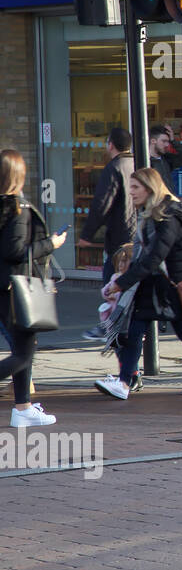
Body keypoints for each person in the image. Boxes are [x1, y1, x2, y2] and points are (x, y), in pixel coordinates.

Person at [96, 167, 182, 399]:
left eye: (135, 187)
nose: (131, 192)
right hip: (151, 283)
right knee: (135, 328)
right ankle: (123, 383)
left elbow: (155, 257)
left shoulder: (169, 215)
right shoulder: (149, 213)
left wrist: (121, 283)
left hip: (172, 285)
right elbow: (144, 255)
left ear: (150, 188)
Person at [0, 149, 66, 426]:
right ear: (19, 175)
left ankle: (23, 408)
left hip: (5, 287)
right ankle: (23, 408)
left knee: (22, 346)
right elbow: (15, 251)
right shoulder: (18, 208)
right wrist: (52, 243)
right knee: (25, 351)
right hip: (16, 288)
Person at [77, 127, 135, 337]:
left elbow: (102, 203)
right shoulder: (137, 164)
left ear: (110, 144)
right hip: (136, 233)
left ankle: (111, 324)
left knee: (112, 280)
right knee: (130, 279)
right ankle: (127, 326)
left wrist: (87, 235)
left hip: (119, 235)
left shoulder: (114, 168)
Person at [148, 123, 182, 194]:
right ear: (153, 141)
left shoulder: (167, 159)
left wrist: (173, 141)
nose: (167, 145)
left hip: (169, 201)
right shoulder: (145, 161)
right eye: (164, 141)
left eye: (168, 141)